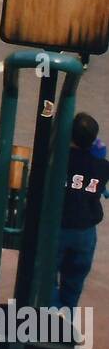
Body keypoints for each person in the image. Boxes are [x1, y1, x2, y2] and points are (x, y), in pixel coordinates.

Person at [52, 113, 109, 311]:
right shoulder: (103, 166)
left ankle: (52, 323)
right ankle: (65, 324)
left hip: (58, 228)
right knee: (74, 283)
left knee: (47, 279)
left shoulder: (59, 160)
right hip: (85, 232)